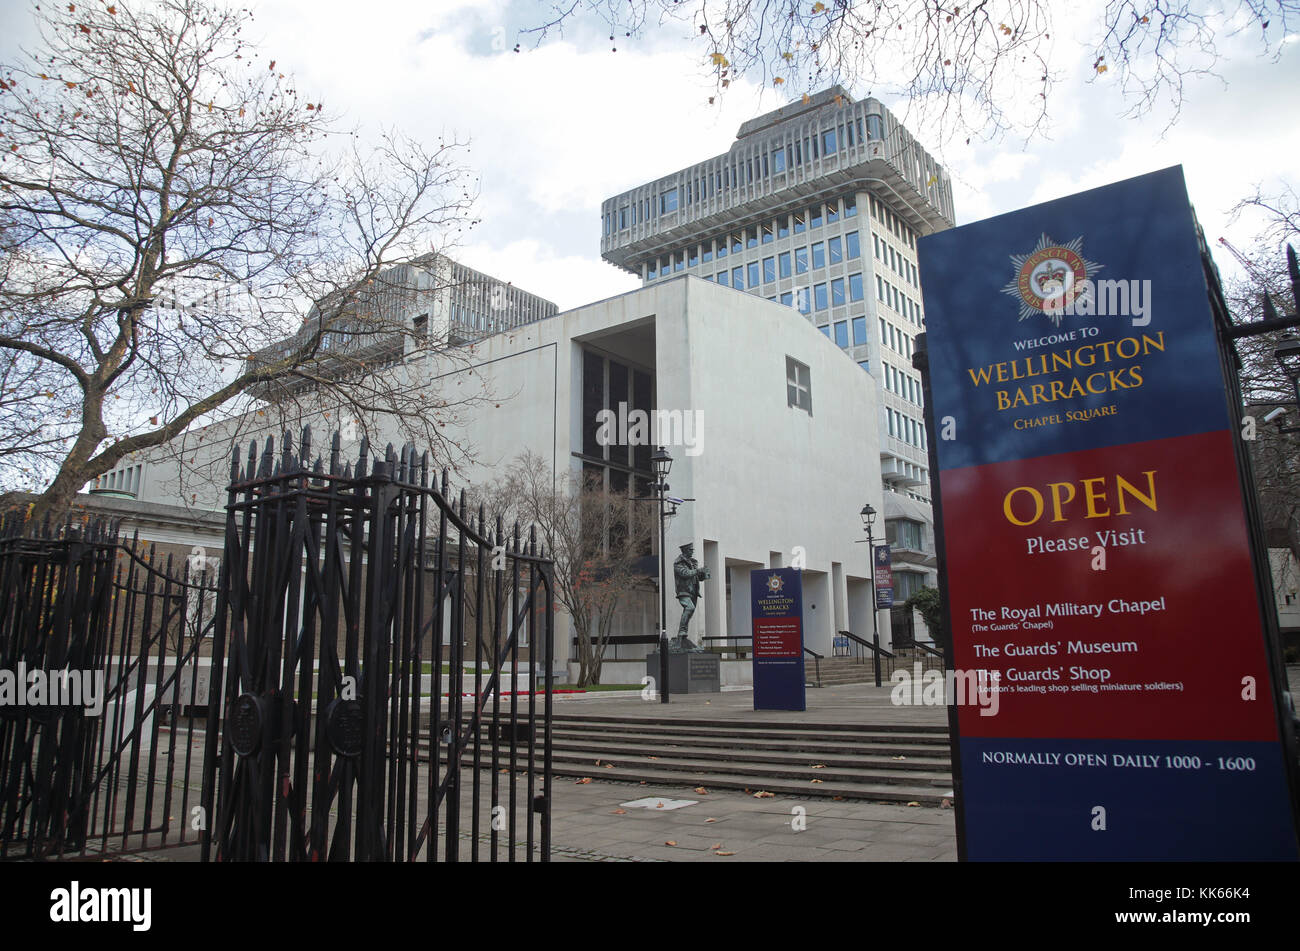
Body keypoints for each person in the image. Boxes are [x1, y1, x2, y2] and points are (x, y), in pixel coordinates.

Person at [672, 542, 710, 652]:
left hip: (693, 592)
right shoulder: (678, 563)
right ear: (684, 550)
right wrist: (698, 571)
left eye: (692, 550)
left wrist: (703, 574)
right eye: (690, 550)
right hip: (683, 591)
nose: (692, 551)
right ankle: (681, 633)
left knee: (689, 613)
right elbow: (685, 573)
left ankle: (683, 636)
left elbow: (696, 576)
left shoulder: (693, 562)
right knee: (689, 608)